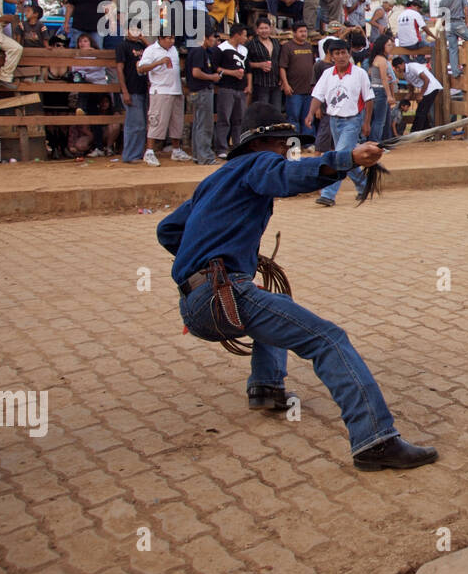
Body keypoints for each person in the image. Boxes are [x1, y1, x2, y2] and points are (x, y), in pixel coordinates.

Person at [156, 103, 437, 471]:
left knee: (273, 306)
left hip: (196, 304)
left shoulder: (213, 180)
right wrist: (349, 157)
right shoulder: (259, 164)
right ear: (264, 143)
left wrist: (212, 256)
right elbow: (291, 176)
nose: (289, 151)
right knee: (328, 339)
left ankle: (266, 387)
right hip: (223, 294)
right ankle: (375, 440)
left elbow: (168, 230)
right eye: (284, 144)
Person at [307, 40, 373, 207]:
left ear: (349, 53)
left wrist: (366, 122)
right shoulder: (327, 74)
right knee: (346, 158)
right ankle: (364, 185)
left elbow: (369, 99)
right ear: (332, 56)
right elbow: (318, 95)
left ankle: (328, 194)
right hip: (334, 121)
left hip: (353, 120)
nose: (341, 56)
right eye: (337, 53)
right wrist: (309, 114)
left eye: (344, 52)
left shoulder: (359, 73)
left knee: (339, 156)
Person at [138, 31, 192, 166]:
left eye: (173, 38)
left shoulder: (173, 50)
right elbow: (141, 68)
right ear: (160, 38)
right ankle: (149, 151)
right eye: (169, 38)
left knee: (177, 122)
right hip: (160, 90)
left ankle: (176, 150)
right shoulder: (151, 50)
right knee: (155, 120)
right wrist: (159, 62)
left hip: (176, 89)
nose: (172, 41)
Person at [115, 26, 151, 163]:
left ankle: (138, 152)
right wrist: (124, 91)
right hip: (131, 89)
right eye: (133, 30)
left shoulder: (142, 46)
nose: (135, 33)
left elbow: (155, 50)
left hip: (142, 88)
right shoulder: (122, 46)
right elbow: (119, 69)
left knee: (142, 125)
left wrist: (143, 39)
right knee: (134, 124)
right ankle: (130, 155)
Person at [213, 25, 250, 158]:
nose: (246, 38)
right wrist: (231, 73)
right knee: (224, 118)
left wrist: (249, 85)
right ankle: (221, 148)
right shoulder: (221, 49)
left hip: (241, 88)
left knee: (239, 119)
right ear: (237, 35)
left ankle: (238, 146)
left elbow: (248, 69)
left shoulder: (244, 50)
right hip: (226, 87)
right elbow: (215, 67)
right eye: (244, 35)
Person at [186, 27, 221, 165]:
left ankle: (198, 155)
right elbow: (196, 72)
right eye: (212, 37)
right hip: (202, 90)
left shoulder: (200, 51)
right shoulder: (199, 51)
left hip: (198, 91)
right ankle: (205, 156)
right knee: (205, 124)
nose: (214, 41)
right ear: (205, 37)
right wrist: (212, 77)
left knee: (199, 123)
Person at [279, 22, 317, 135]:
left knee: (308, 117)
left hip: (308, 90)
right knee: (293, 118)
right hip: (294, 90)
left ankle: (309, 143)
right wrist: (285, 84)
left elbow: (313, 66)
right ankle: (294, 143)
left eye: (305, 31)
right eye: (301, 31)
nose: (303, 34)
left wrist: (314, 85)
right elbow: (282, 67)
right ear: (294, 33)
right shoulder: (287, 47)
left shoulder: (309, 46)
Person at [390, 55, 442, 133]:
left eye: (398, 67)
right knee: (422, 111)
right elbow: (411, 88)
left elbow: (426, 80)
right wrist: (406, 99)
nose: (398, 70)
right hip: (426, 90)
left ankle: (415, 132)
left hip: (432, 88)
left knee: (421, 112)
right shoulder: (405, 74)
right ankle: (427, 132)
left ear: (403, 64)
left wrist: (421, 95)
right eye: (396, 68)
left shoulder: (413, 67)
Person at [437, 0, 468, 78]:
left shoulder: (442, 2)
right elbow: (466, 9)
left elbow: (443, 19)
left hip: (449, 25)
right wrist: (466, 22)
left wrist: (446, 26)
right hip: (459, 23)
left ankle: (455, 72)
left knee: (452, 49)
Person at [366, 37, 398, 143]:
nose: (391, 47)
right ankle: (376, 142)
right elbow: (384, 79)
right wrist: (389, 95)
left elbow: (371, 73)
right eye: (388, 45)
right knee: (380, 120)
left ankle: (372, 141)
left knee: (375, 119)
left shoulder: (375, 58)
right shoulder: (382, 60)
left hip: (373, 89)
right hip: (380, 90)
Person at [246, 16, 282, 109]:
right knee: (262, 111)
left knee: (276, 111)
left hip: (275, 83)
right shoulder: (251, 44)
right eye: (261, 28)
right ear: (257, 30)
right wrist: (259, 65)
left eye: (266, 28)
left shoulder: (276, 42)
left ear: (270, 29)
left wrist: (282, 78)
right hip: (260, 84)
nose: (264, 30)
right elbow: (245, 63)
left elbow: (280, 61)